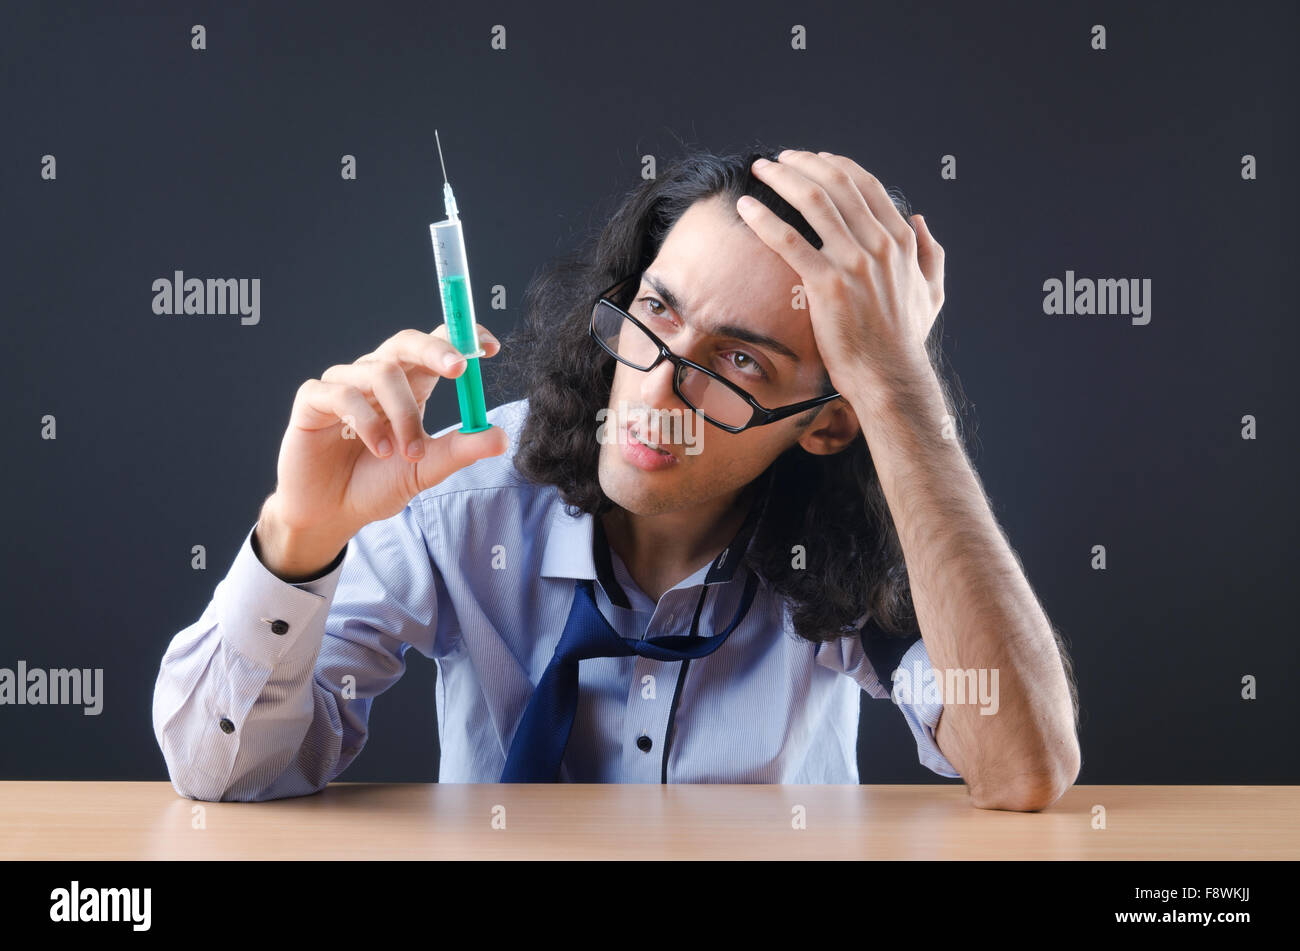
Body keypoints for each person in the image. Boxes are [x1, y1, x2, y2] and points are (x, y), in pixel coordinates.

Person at [152, 146, 1080, 809]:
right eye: (656, 312)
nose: (656, 389)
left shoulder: (840, 543)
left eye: (740, 365)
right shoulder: (466, 496)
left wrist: (901, 394)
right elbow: (219, 771)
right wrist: (298, 539)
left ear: (832, 423)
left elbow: (1023, 768)